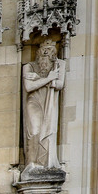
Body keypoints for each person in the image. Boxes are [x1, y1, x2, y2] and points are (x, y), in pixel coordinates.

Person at [22, 40, 65, 172]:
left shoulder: (59, 64)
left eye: (50, 50)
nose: (46, 52)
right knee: (34, 131)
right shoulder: (29, 66)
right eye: (44, 50)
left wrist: (45, 80)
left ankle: (44, 162)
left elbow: (59, 84)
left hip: (49, 103)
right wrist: (48, 79)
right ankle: (31, 163)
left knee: (46, 131)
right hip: (34, 101)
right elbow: (29, 87)